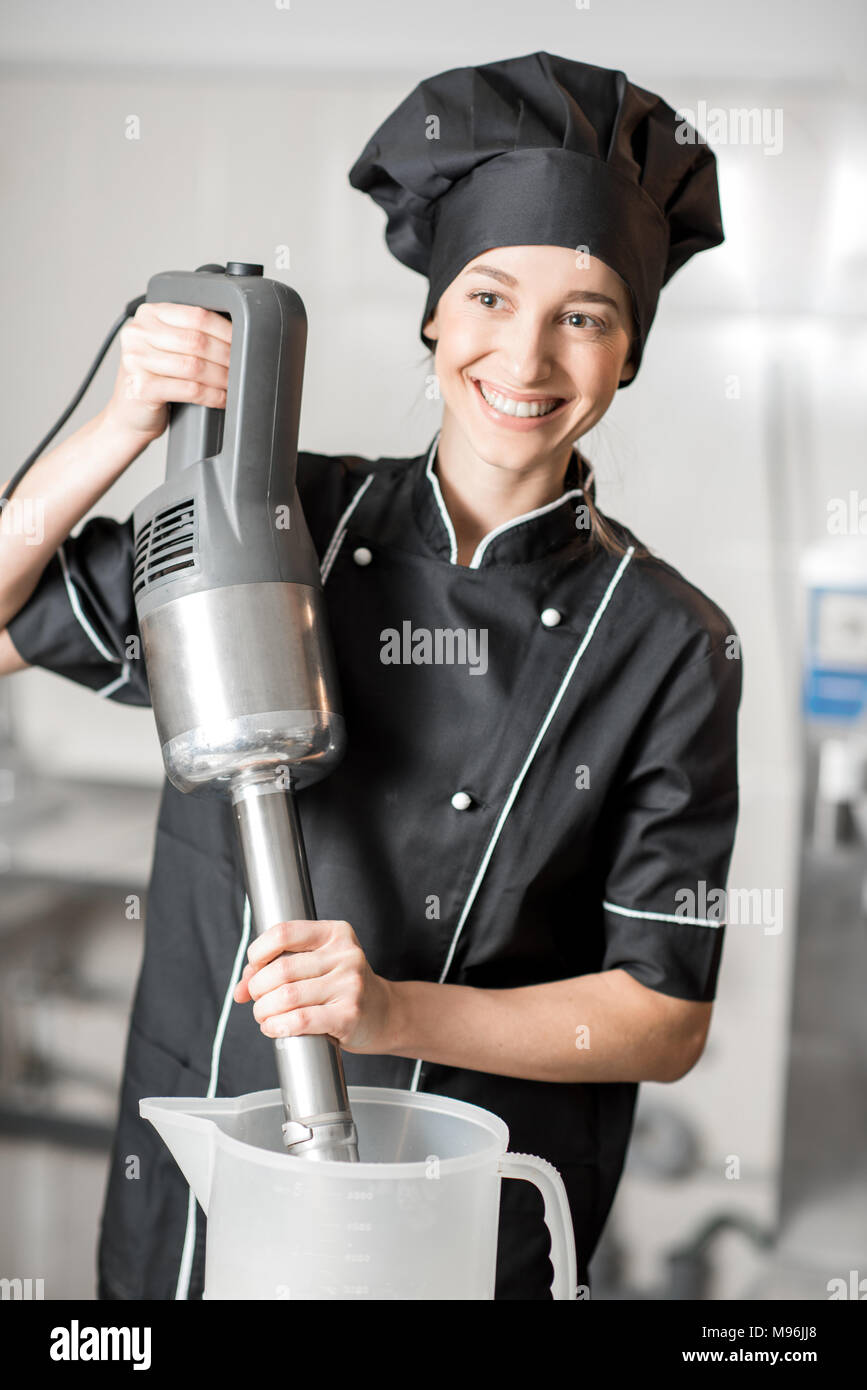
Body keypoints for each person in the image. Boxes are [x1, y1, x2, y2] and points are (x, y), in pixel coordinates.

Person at [0, 51, 742, 1300]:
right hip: (192, 1213)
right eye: (493, 297)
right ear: (435, 312)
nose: (529, 357)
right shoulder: (272, 522)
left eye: (585, 315)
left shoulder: (669, 641)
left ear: (627, 356)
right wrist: (117, 428)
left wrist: (395, 1014)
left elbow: (664, 1018)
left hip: (457, 1231)